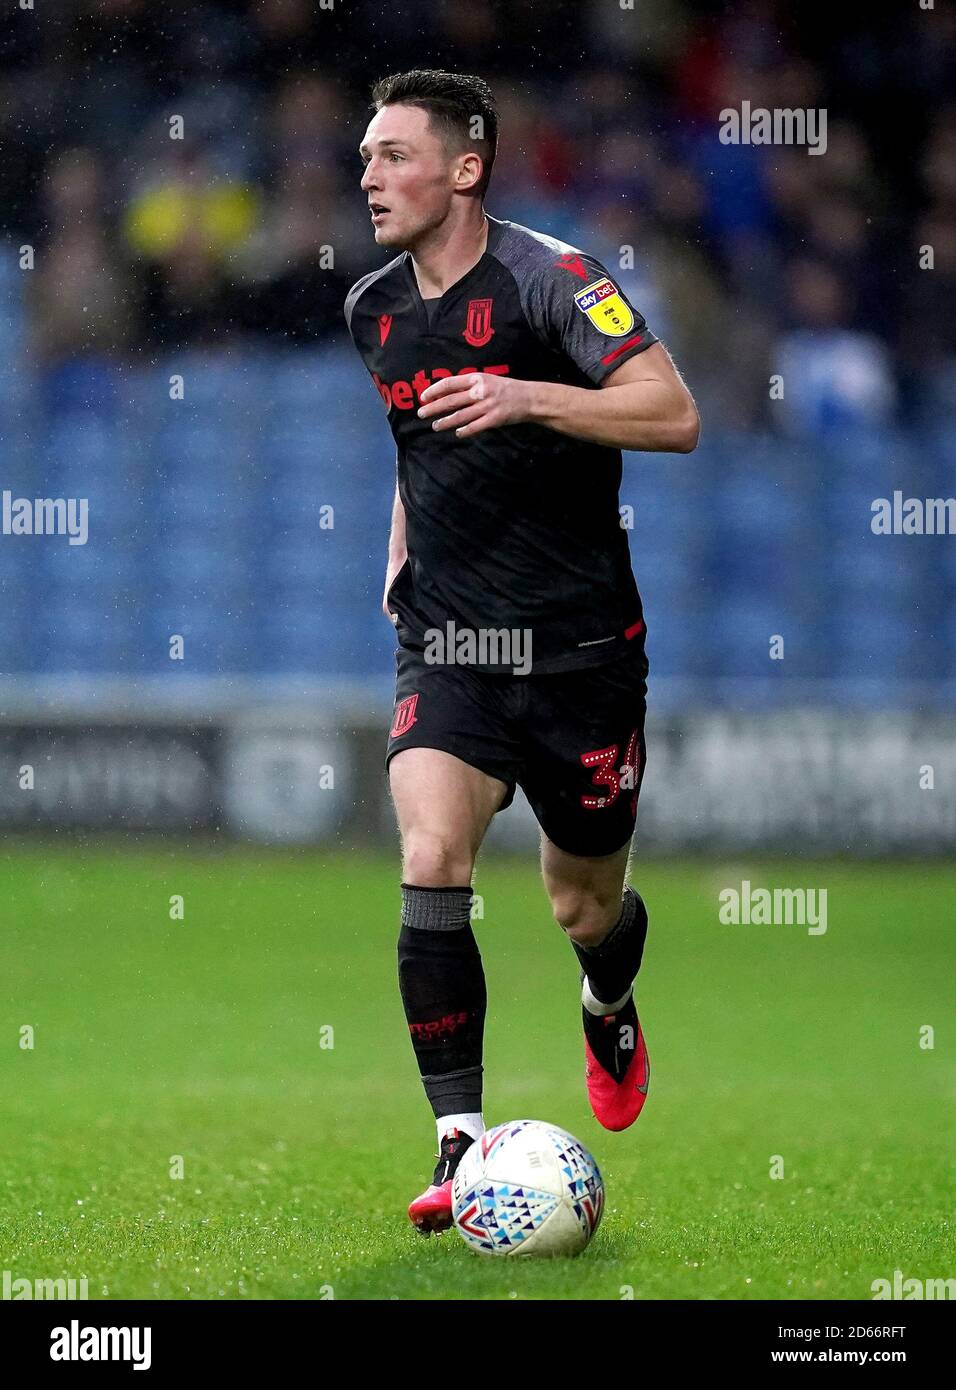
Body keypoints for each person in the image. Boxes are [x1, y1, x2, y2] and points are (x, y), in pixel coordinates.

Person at [344, 69, 699, 1235]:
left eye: (394, 154)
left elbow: (671, 413)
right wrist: (399, 548)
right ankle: (457, 1143)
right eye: (364, 155)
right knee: (431, 850)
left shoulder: (558, 281)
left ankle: (609, 994)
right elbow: (416, 442)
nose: (367, 175)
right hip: (447, 640)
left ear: (463, 166)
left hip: (580, 648)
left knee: (578, 901)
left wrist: (529, 398)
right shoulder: (372, 309)